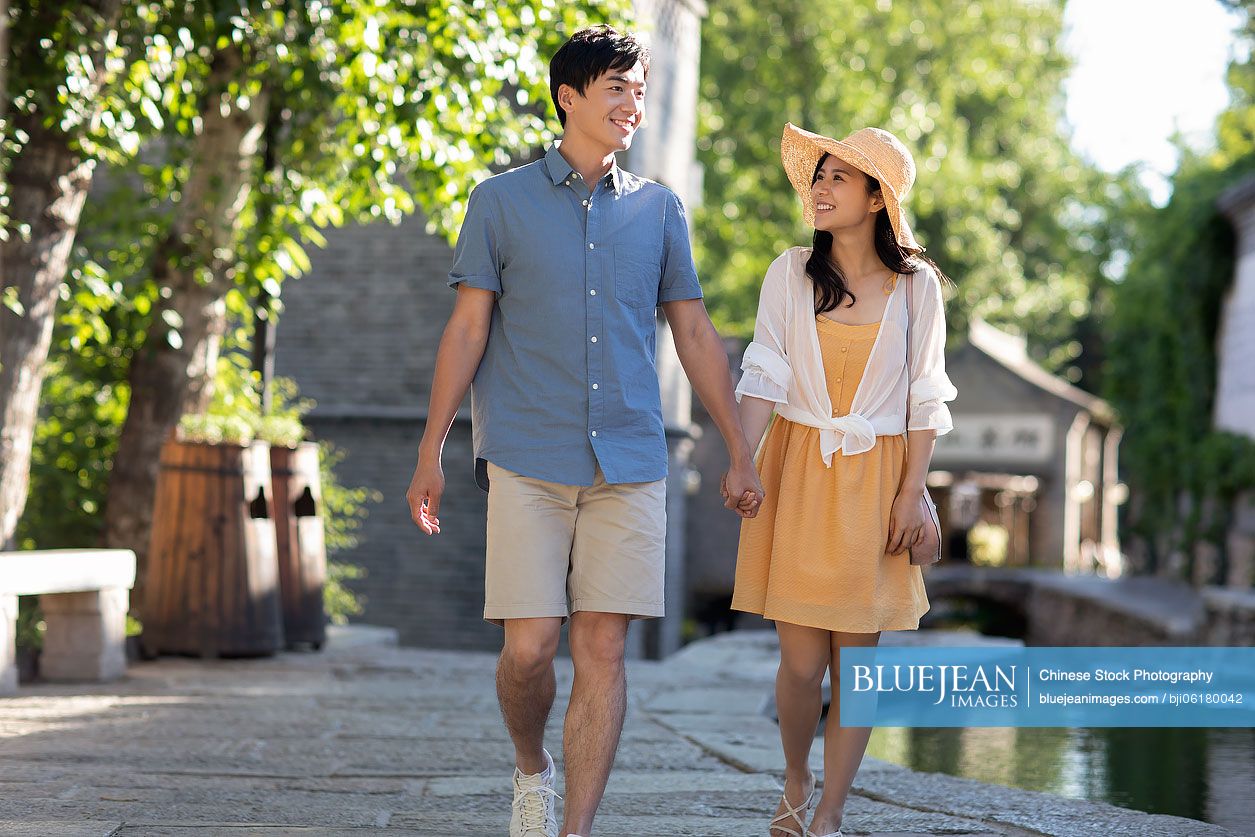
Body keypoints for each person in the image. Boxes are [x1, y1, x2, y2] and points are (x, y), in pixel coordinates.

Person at [404, 25, 764, 837]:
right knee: (529, 649)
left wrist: (739, 446)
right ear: (569, 96)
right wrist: (430, 449)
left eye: (639, 91)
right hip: (527, 455)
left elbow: (697, 336)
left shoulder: (659, 209)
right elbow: (465, 332)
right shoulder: (499, 202)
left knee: (602, 651)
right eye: (616, 89)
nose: (632, 105)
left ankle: (573, 831)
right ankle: (531, 768)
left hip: (631, 459)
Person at [726, 123, 957, 837]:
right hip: (798, 469)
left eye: (836, 178)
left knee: (857, 665)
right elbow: (764, 370)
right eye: (818, 175)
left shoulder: (917, 288)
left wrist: (910, 488)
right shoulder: (789, 271)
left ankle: (827, 811)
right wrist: (741, 453)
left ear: (875, 198)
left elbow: (925, 395)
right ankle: (795, 777)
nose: (819, 189)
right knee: (799, 664)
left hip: (878, 476)